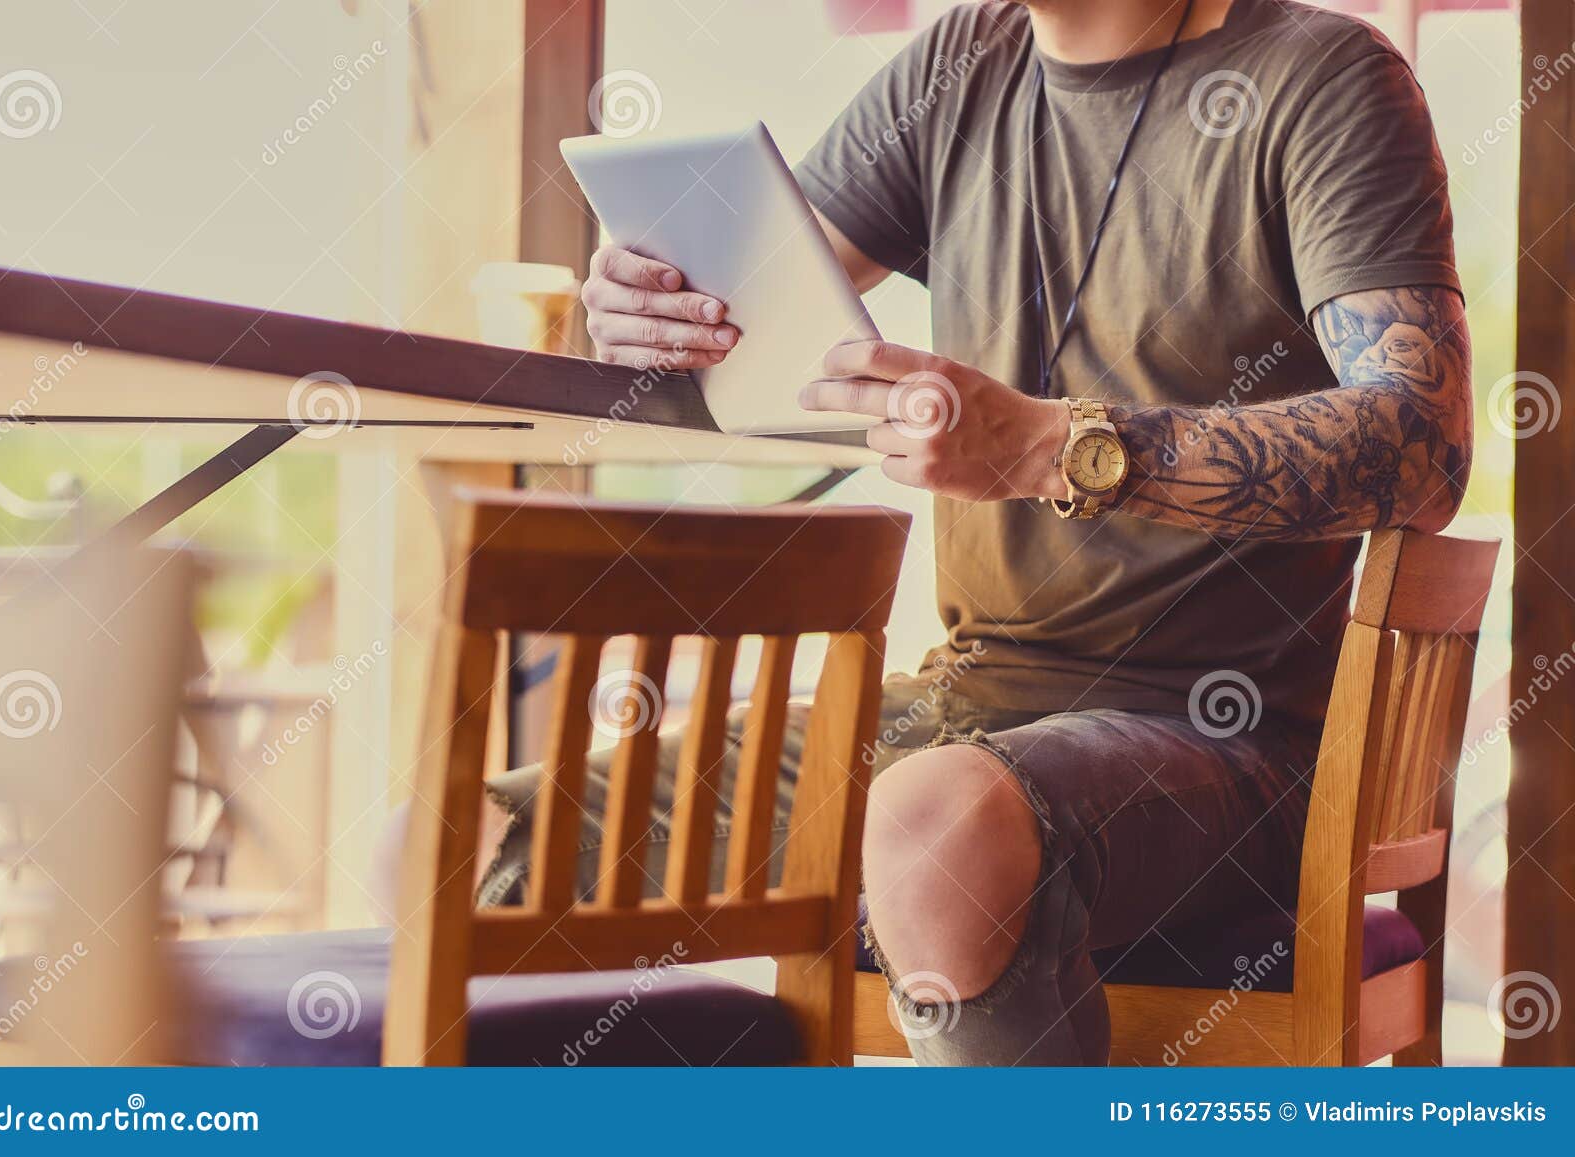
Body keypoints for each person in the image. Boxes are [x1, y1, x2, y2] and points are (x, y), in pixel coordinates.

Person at [478, 0, 1471, 1065]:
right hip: (962, 710)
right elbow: (755, 304)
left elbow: (1424, 444)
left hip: (1234, 739)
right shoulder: (961, 61)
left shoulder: (1319, 75)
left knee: (933, 825)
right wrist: (651, 310)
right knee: (462, 841)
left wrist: (1059, 448)